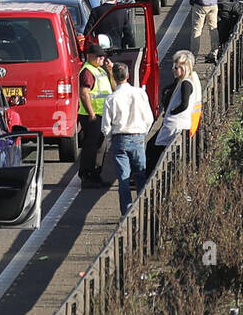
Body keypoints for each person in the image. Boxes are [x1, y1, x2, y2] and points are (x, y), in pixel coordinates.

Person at [101, 62, 153, 215]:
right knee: (140, 175)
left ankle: (127, 213)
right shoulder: (140, 94)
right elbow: (149, 118)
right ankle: (144, 209)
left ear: (114, 78)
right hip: (137, 136)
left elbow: (105, 126)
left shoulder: (111, 98)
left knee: (123, 179)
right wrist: (143, 133)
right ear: (128, 76)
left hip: (119, 138)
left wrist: (111, 140)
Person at [150, 51, 202, 169]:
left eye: (176, 67)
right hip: (179, 124)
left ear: (184, 68)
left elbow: (184, 104)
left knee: (156, 149)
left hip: (176, 124)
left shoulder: (186, 84)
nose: (173, 69)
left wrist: (172, 112)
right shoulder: (185, 81)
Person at [78, 42, 115, 186]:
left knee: (101, 146)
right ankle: (87, 176)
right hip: (92, 116)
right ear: (90, 56)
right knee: (91, 147)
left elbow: (113, 87)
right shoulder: (88, 71)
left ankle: (95, 175)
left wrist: (111, 72)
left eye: (103, 56)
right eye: (99, 57)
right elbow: (84, 93)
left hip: (102, 115)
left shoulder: (100, 70)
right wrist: (92, 114)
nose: (102, 59)